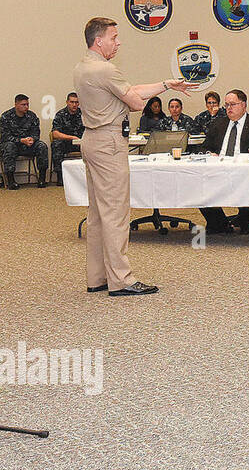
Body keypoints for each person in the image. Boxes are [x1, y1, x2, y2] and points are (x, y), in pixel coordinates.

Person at [74, 17, 196, 295]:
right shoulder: (105, 69)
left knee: (97, 214)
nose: (118, 42)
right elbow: (137, 101)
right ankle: (122, 280)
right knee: (116, 213)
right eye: (114, 37)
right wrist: (158, 89)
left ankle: (98, 277)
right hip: (109, 143)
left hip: (92, 139)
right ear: (99, 40)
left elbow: (130, 92)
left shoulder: (83, 67)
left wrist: (166, 84)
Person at [200, 90, 249, 234]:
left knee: (247, 182)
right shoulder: (218, 124)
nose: (229, 108)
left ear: (244, 105)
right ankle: (219, 223)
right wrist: (209, 153)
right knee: (199, 184)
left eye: (233, 104)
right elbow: (204, 146)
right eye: (226, 105)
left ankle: (244, 220)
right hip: (218, 169)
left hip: (245, 172)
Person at [1, 94, 49, 189]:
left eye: (27, 104)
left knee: (42, 146)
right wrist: (21, 140)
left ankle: (42, 179)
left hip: (28, 145)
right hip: (13, 145)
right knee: (9, 146)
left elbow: (36, 133)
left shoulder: (31, 116)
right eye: (23, 104)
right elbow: (4, 137)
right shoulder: (6, 117)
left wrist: (32, 139)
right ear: (16, 104)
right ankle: (11, 181)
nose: (26, 107)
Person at [50, 92, 84, 184]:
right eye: (72, 102)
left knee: (94, 145)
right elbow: (55, 134)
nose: (74, 105)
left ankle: (86, 176)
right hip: (66, 143)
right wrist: (71, 137)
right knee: (56, 144)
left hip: (81, 143)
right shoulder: (60, 114)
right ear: (67, 102)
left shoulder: (84, 114)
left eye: (76, 102)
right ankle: (60, 176)